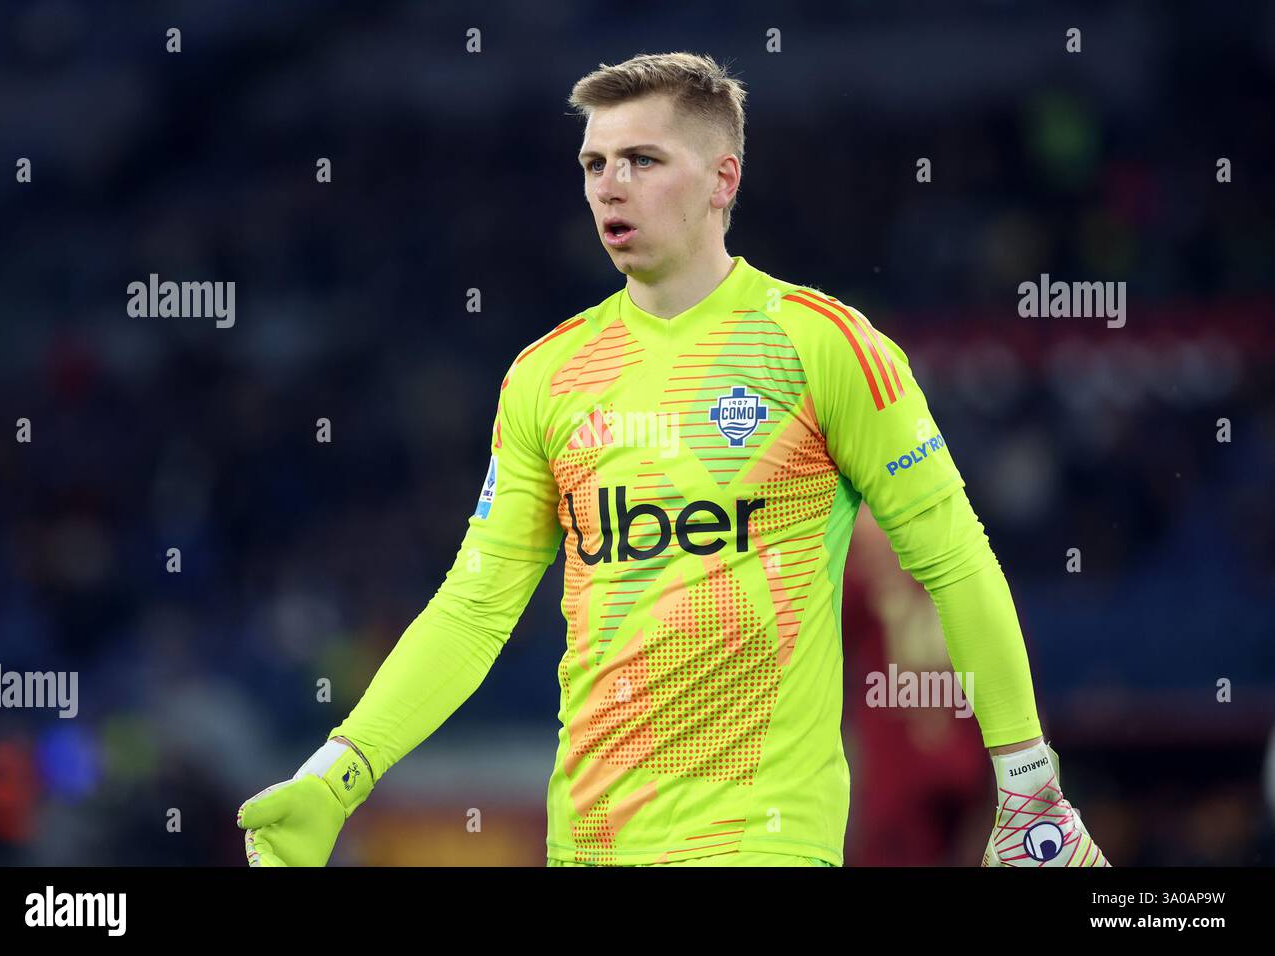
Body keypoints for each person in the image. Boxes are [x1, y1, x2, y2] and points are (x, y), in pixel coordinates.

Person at [237, 51, 1108, 868]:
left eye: (642, 161)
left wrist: (1027, 777)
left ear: (723, 178)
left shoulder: (821, 345)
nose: (609, 186)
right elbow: (474, 610)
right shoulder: (547, 376)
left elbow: (956, 560)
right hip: (587, 839)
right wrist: (338, 771)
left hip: (761, 841)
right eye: (594, 164)